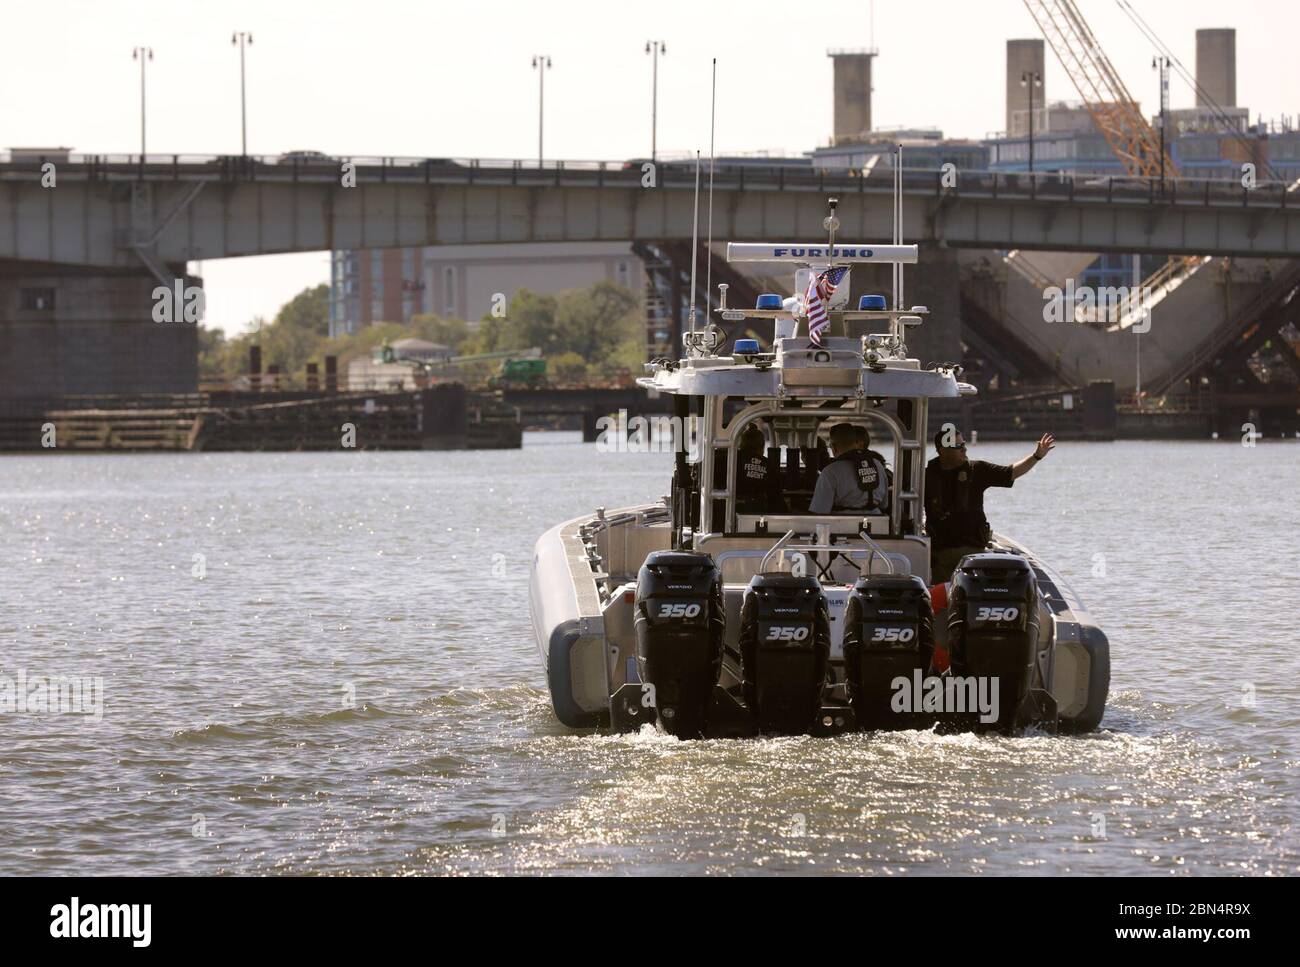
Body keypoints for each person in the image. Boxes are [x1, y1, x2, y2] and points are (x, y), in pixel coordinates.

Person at [924, 428, 1055, 582]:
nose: (964, 449)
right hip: (940, 555)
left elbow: (1010, 473)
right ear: (942, 450)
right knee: (941, 597)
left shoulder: (977, 470)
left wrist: (1037, 456)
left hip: (973, 554)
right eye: (958, 446)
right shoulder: (925, 476)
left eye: (964, 444)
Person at [809, 422, 889, 515]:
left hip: (842, 525)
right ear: (855, 443)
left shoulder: (830, 471)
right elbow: (884, 504)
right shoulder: (877, 464)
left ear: (834, 447)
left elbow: (820, 511)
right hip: (877, 522)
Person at [735, 424, 782, 515]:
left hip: (734, 508)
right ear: (762, 445)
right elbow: (775, 495)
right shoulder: (768, 464)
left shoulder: (733, 460)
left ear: (742, 443)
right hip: (759, 512)